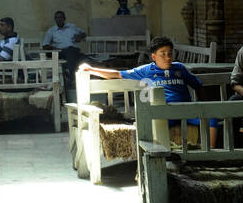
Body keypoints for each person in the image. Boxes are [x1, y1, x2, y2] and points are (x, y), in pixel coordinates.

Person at [80, 36, 217, 148]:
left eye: (170, 53)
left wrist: (200, 104)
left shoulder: (180, 68)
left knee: (212, 118)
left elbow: (198, 85)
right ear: (153, 56)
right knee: (151, 127)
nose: (167, 57)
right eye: (162, 54)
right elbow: (117, 74)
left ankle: (209, 155)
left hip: (185, 110)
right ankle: (160, 158)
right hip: (163, 112)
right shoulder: (146, 70)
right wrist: (91, 69)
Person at [42, 11, 87, 94]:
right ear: (55, 19)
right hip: (61, 52)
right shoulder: (51, 31)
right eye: (57, 18)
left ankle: (69, 77)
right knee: (74, 56)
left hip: (73, 50)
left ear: (64, 19)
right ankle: (72, 78)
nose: (59, 19)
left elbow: (84, 33)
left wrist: (79, 36)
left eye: (61, 17)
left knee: (75, 54)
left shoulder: (72, 27)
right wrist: (55, 48)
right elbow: (45, 45)